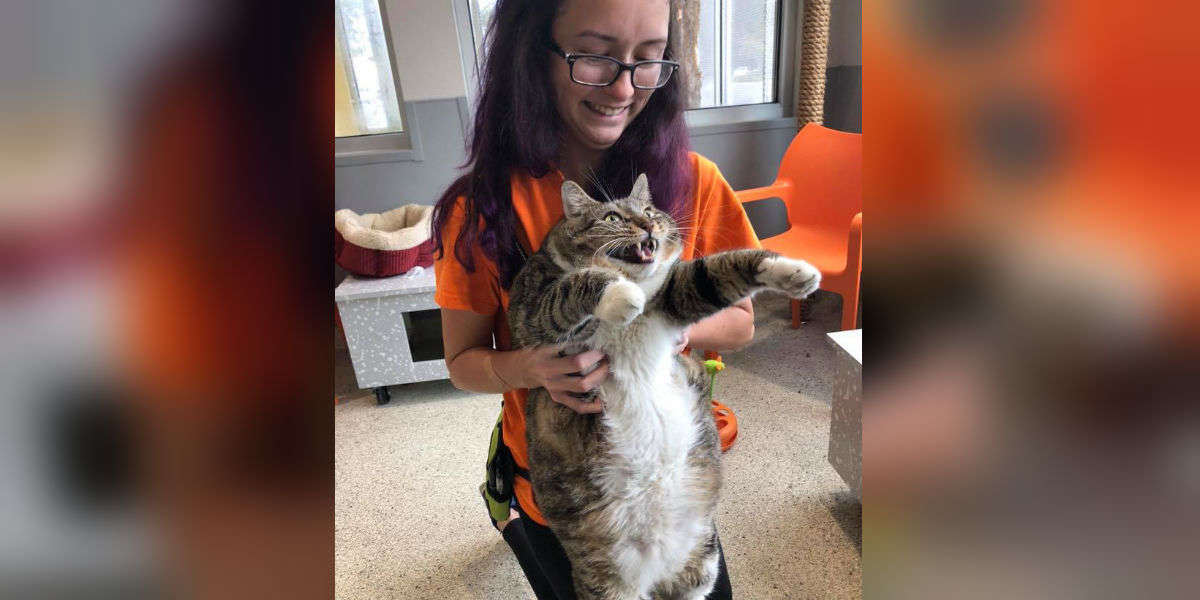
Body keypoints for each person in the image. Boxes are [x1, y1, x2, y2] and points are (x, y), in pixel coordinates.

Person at [432, 0, 758, 597]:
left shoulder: (693, 182)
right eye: (595, 56)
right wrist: (531, 366)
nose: (624, 86)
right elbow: (461, 363)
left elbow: (740, 322)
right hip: (566, 493)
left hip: (671, 475)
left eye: (649, 59)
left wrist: (671, 324)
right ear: (536, 55)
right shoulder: (481, 208)